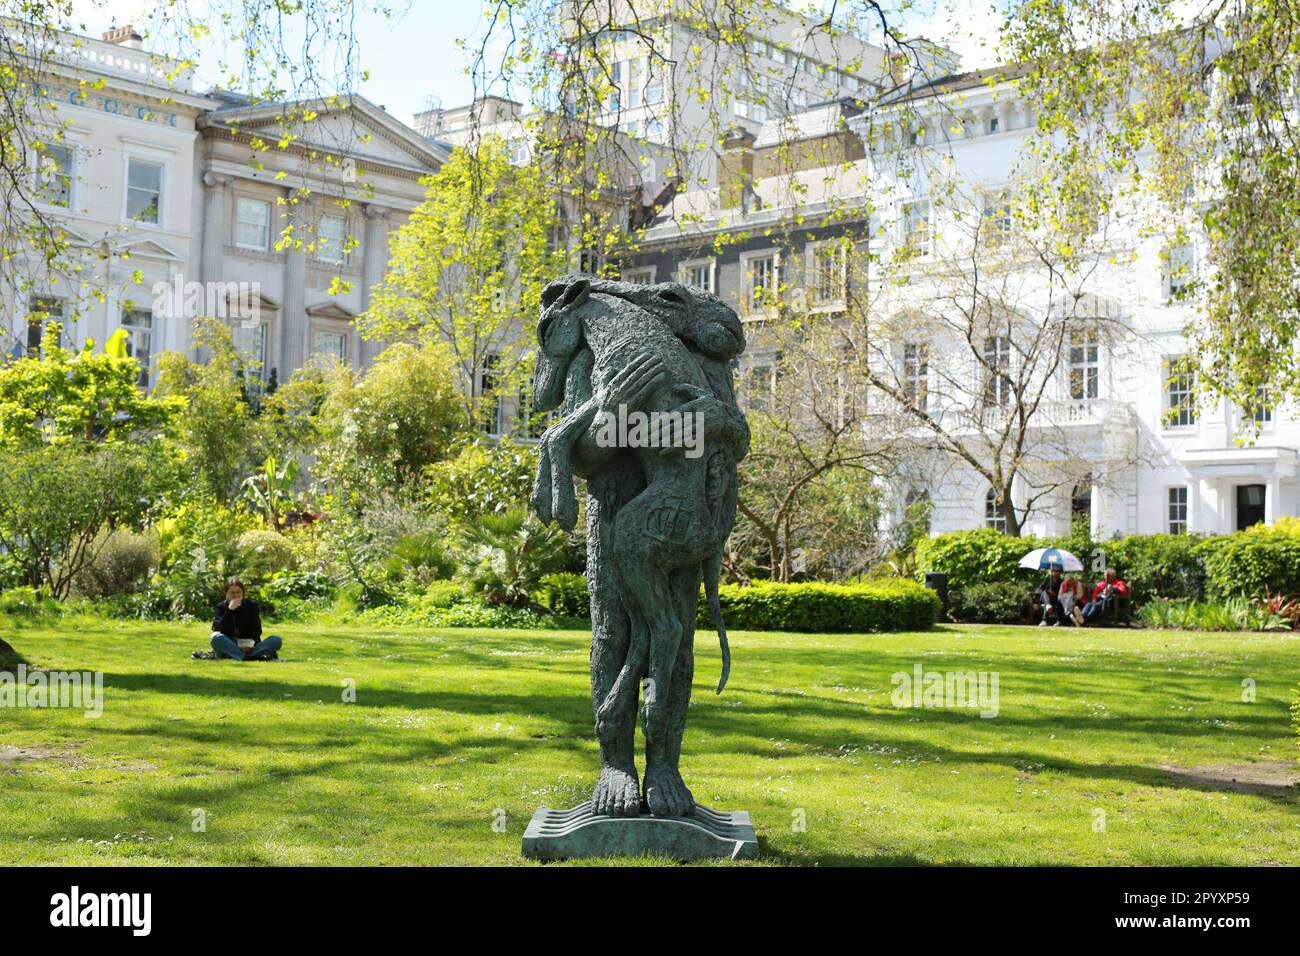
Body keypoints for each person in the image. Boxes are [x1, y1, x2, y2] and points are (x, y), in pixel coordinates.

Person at [209, 578, 282, 661]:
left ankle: (243, 657)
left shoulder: (252, 606)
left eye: (238, 592)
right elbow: (217, 629)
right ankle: (249, 657)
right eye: (232, 593)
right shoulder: (221, 607)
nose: (235, 595)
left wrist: (250, 644)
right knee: (215, 637)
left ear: (243, 593)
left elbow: (257, 630)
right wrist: (229, 610)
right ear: (226, 594)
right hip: (230, 645)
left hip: (250, 646)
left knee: (276, 640)